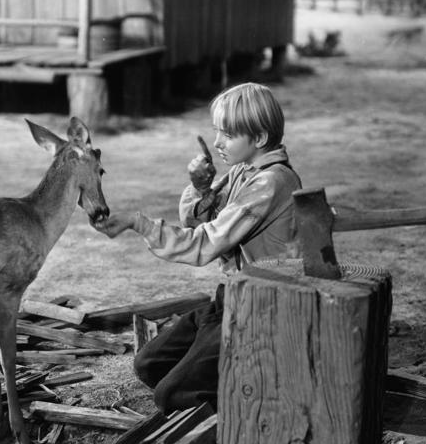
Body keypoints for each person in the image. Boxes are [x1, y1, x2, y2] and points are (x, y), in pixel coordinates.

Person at [91, 82, 302, 414]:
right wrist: (201, 186)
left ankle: (257, 400)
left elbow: (203, 244)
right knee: (150, 365)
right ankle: (227, 374)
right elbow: (196, 220)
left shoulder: (270, 183)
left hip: (263, 310)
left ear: (259, 139)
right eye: (217, 132)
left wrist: (138, 223)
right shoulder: (243, 172)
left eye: (227, 135)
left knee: (171, 396)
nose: (217, 142)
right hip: (231, 298)